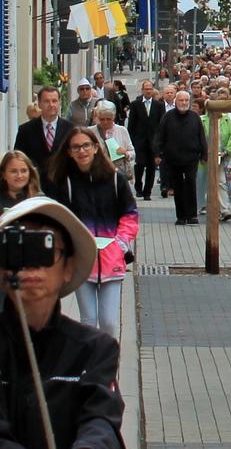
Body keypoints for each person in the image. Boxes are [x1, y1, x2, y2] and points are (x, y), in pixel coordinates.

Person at [0, 197, 125, 447]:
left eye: (44, 249)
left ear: (68, 267)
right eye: (20, 251)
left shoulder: (95, 349)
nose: (31, 267)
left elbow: (101, 421)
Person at [46, 127, 139, 340]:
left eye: (86, 145)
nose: (82, 151)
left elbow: (130, 215)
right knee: (88, 320)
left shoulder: (115, 181)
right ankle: (90, 367)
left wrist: (121, 244)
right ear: (69, 152)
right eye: (76, 147)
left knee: (108, 321)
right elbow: (59, 219)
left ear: (96, 148)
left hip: (111, 258)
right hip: (81, 260)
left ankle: (107, 363)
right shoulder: (64, 183)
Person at [154, 90, 207, 226]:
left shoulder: (195, 117)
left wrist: (204, 154)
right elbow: (160, 136)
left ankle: (192, 215)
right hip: (173, 158)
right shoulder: (168, 117)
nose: (183, 103)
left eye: (186, 101)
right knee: (177, 187)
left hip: (191, 157)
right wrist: (158, 154)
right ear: (176, 102)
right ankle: (181, 216)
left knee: (190, 183)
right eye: (181, 100)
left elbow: (201, 136)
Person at [13, 86, 72, 188]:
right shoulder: (25, 130)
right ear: (39, 103)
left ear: (59, 103)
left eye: (54, 101)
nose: (51, 105)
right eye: (46, 101)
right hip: (34, 187)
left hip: (63, 187)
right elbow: (19, 157)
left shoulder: (70, 129)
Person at [126, 80, 165, 200]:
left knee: (151, 167)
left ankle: (147, 192)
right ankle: (138, 188)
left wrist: (159, 142)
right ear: (142, 90)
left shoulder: (158, 105)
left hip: (153, 142)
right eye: (146, 89)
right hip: (139, 141)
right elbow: (131, 124)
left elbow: (161, 124)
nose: (148, 91)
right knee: (140, 165)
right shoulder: (135, 105)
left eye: (150, 89)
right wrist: (132, 140)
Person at [197, 98, 231, 222]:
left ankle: (223, 209)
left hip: (222, 155)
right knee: (208, 182)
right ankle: (211, 207)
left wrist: (227, 151)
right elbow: (200, 138)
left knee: (220, 182)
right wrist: (204, 153)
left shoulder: (226, 119)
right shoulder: (202, 120)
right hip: (207, 156)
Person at [88, 101, 135, 181]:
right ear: (98, 117)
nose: (105, 122)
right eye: (102, 119)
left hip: (118, 174)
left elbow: (132, 153)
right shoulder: (90, 131)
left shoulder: (122, 130)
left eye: (108, 119)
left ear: (113, 117)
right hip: (96, 174)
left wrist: (126, 153)